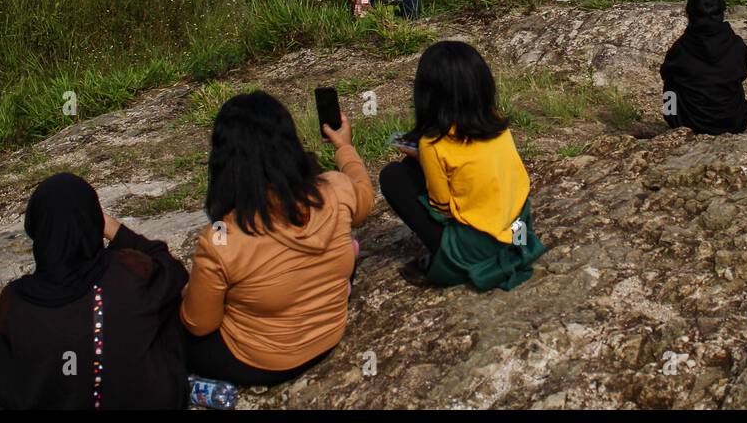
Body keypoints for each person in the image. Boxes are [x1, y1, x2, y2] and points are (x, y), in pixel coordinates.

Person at [0, 173, 189, 409]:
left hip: (58, 396)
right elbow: (174, 272)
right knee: (164, 299)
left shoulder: (16, 301)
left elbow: (25, 359)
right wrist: (114, 228)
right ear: (94, 223)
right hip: (153, 400)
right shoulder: (130, 271)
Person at [181, 91, 372, 387]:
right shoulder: (336, 189)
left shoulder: (220, 239)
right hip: (329, 333)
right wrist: (344, 148)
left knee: (171, 325)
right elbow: (364, 194)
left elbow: (200, 324)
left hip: (262, 362)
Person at [378, 41, 545, 290]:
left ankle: (450, 262)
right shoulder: (496, 121)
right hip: (518, 228)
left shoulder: (433, 143)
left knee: (394, 175)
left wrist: (427, 162)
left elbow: (441, 209)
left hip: (479, 246)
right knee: (411, 167)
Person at [660, 0, 747, 134]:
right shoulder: (737, 45)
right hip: (734, 123)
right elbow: (742, 75)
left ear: (690, 15)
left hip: (689, 123)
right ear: (722, 13)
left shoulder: (680, 49)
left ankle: (671, 117)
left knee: (670, 84)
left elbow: (666, 74)